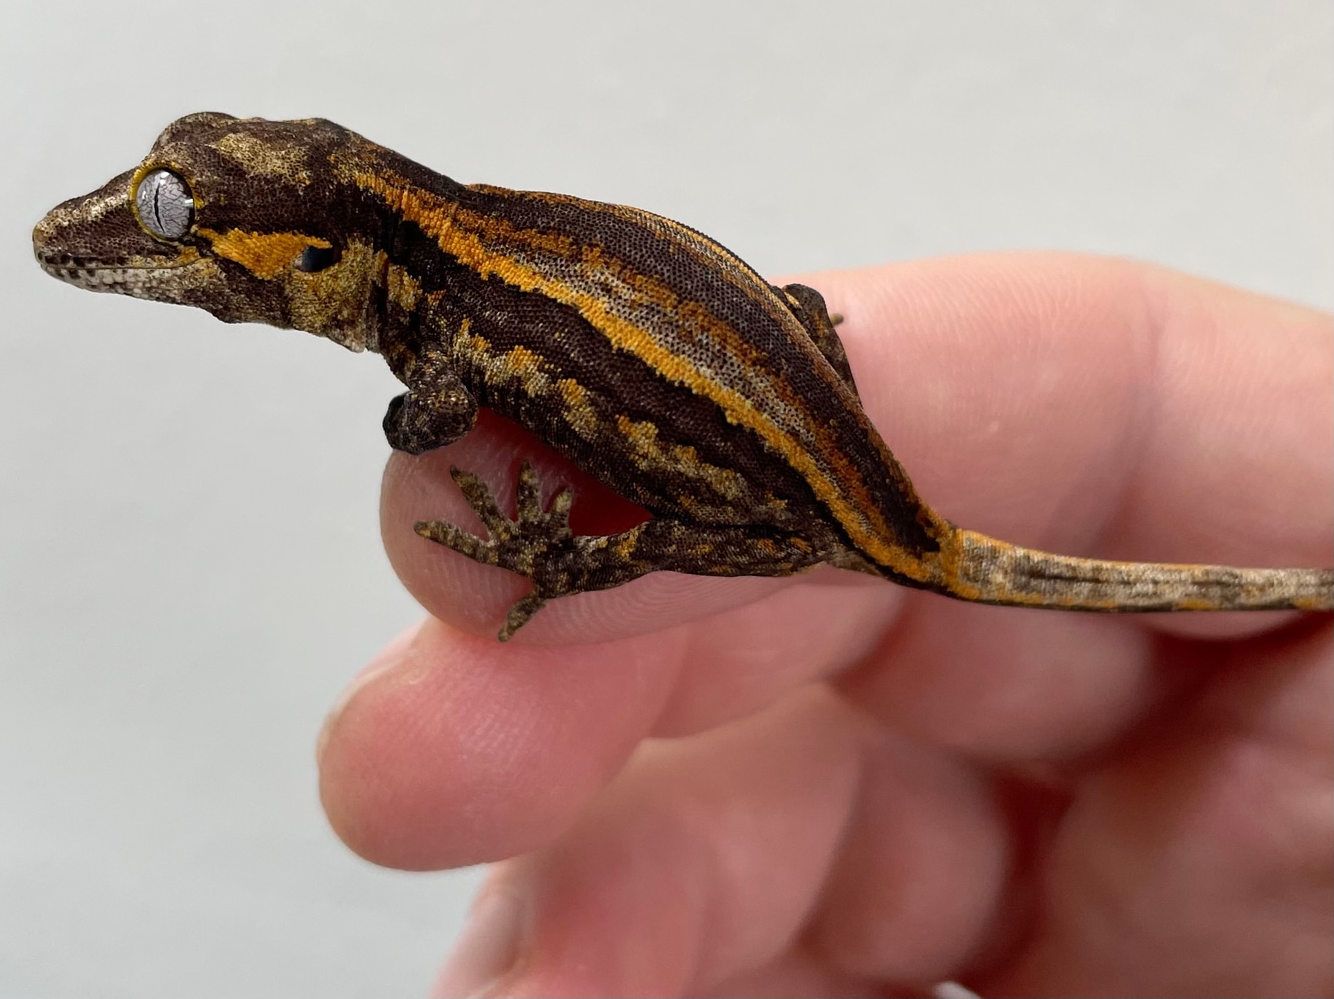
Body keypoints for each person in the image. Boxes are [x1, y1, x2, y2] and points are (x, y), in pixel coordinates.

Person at [317, 253, 1332, 999]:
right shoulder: (466, 252)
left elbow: (429, 426)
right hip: (804, 425)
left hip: (797, 510)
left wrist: (567, 555)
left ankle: (571, 559)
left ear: (321, 255)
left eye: (178, 226)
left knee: (661, 541)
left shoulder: (441, 303)